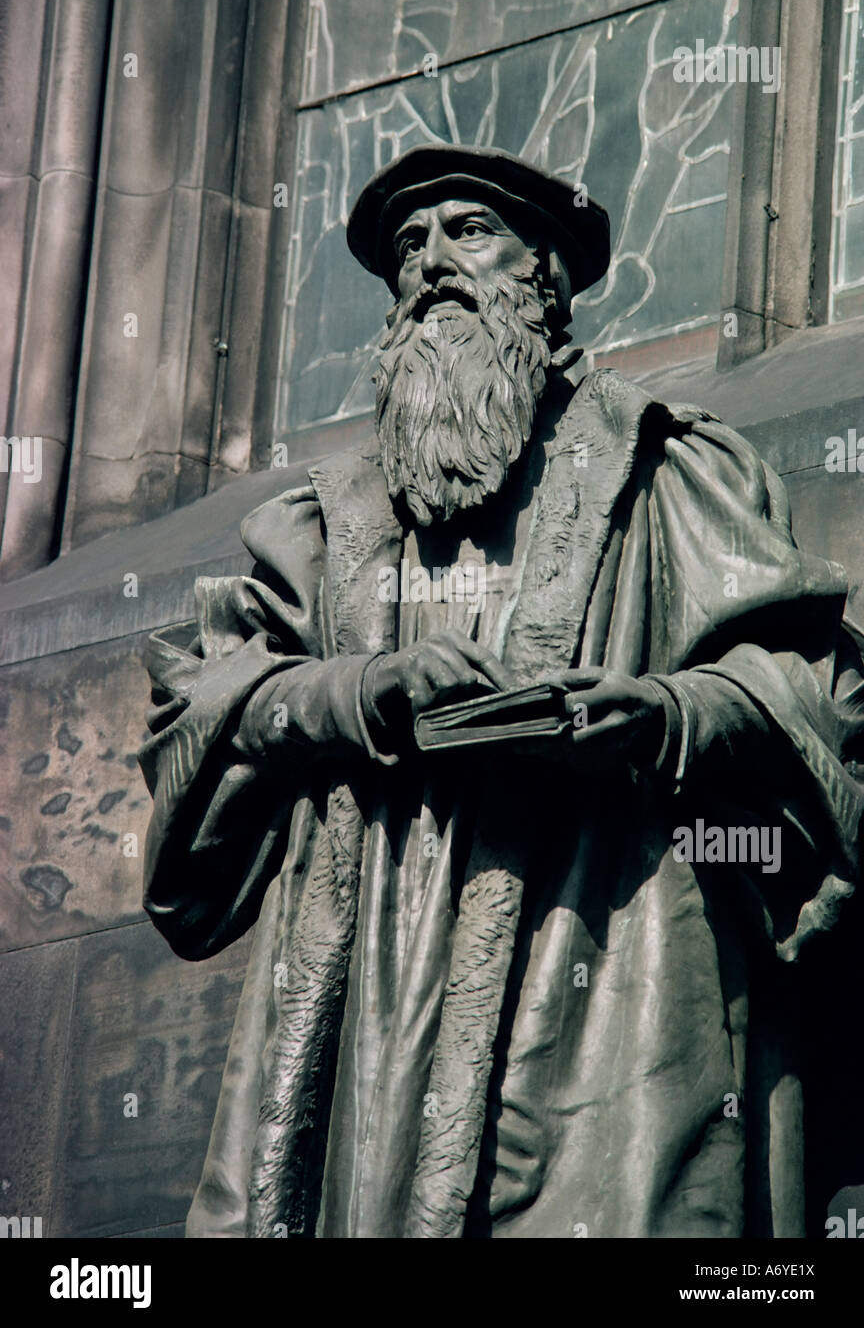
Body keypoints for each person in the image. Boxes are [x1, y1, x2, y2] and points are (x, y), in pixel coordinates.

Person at [140, 144, 864, 1238]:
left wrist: (664, 718)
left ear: (547, 278)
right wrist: (363, 692)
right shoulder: (324, 523)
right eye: (409, 247)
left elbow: (819, 691)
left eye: (468, 232)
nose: (432, 262)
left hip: (610, 960)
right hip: (368, 1012)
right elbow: (205, 708)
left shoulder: (665, 474)